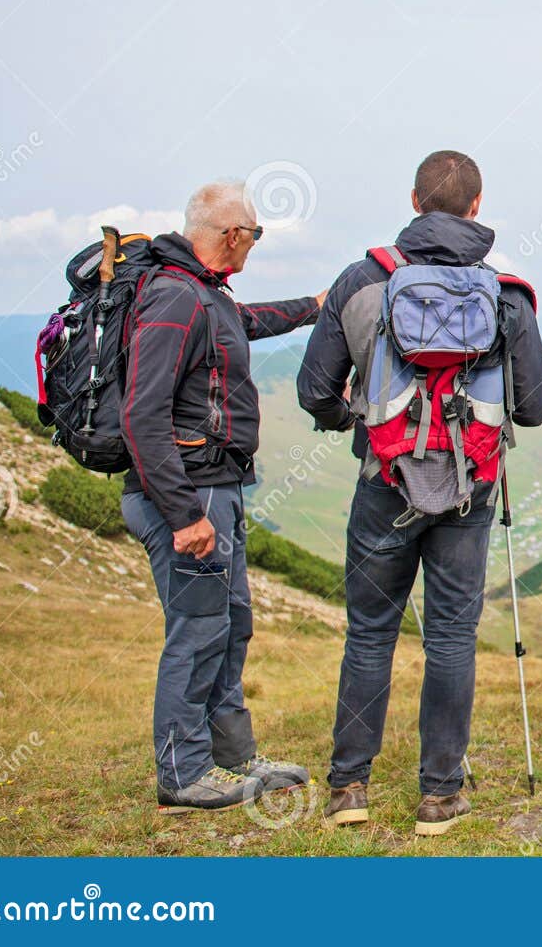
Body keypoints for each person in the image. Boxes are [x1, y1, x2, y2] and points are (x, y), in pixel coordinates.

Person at [297, 150, 542, 836]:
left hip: (383, 481)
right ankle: (439, 795)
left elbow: (312, 390)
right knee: (450, 637)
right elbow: (532, 406)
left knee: (370, 634)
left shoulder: (360, 281)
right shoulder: (507, 294)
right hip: (470, 490)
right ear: (477, 206)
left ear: (414, 201)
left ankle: (350, 787)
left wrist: (362, 421)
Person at [120, 182, 324, 813]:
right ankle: (182, 774)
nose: (256, 245)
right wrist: (183, 517)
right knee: (199, 629)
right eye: (256, 234)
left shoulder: (205, 294)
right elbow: (141, 414)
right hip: (191, 495)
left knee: (231, 625)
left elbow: (248, 321)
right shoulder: (174, 298)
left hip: (218, 489)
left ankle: (233, 757)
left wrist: (317, 305)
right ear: (232, 234)